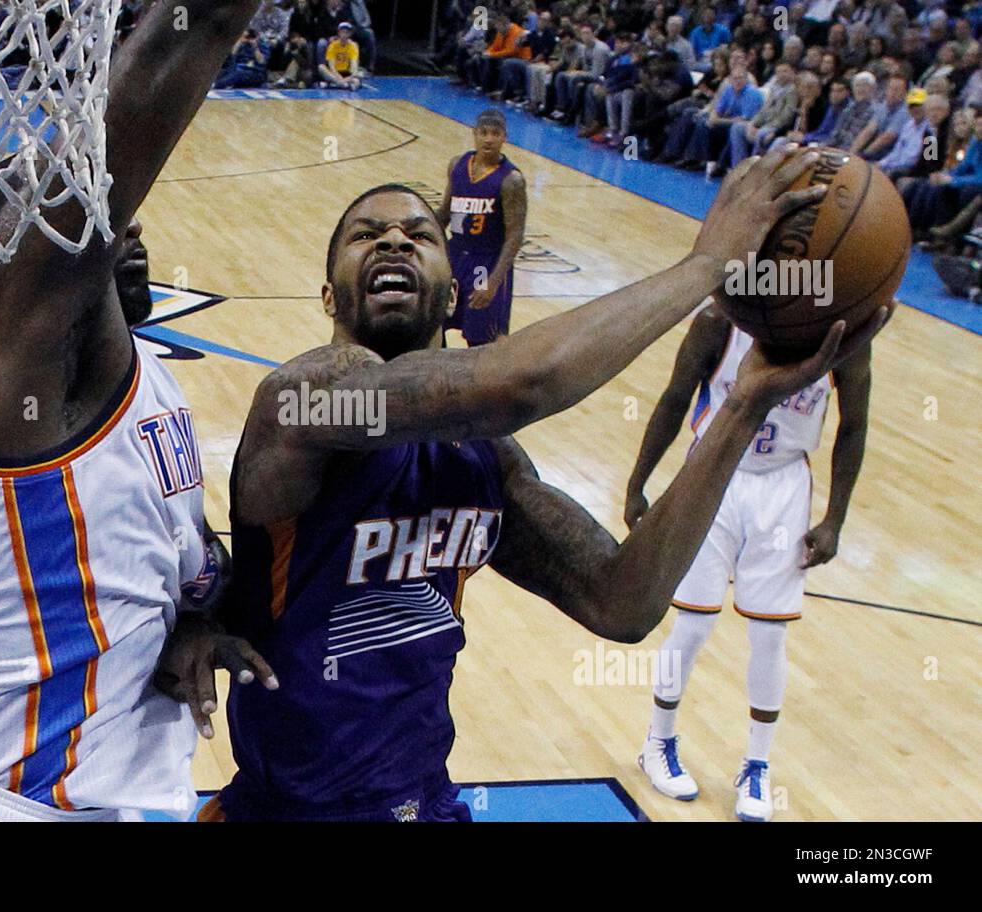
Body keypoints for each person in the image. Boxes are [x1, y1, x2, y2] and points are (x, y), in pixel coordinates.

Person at [195, 148, 885, 822]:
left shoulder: (484, 459)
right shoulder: (301, 402)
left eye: (419, 234)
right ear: (326, 293)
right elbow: (523, 383)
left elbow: (621, 602)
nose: (396, 240)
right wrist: (706, 265)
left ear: (455, 291)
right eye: (366, 235)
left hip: (425, 801)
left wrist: (741, 407)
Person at [0, 0, 276, 823]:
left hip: (93, 803)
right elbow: (175, 48)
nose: (117, 233)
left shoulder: (150, 386)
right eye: (66, 222)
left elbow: (185, 560)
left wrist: (202, 620)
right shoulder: (6, 395)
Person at [626, 293, 880, 823]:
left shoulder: (844, 339)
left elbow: (853, 426)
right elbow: (674, 398)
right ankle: (657, 741)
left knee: (770, 635)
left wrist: (834, 518)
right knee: (692, 626)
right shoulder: (718, 323)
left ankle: (757, 765)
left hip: (785, 484)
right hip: (714, 472)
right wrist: (637, 484)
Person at [439, 108, 526, 346]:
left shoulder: (511, 180)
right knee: (435, 327)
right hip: (453, 256)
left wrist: (493, 282)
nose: (489, 139)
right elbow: (444, 214)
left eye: (495, 134)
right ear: (474, 134)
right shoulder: (457, 165)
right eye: (484, 133)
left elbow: (515, 235)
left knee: (482, 343)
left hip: (486, 264)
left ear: (504, 137)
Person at [319, 20, 360, 90]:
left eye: (347, 32)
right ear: (338, 33)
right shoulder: (333, 45)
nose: (344, 35)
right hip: (334, 73)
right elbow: (331, 67)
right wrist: (340, 79)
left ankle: (334, 84)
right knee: (321, 67)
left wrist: (349, 78)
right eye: (342, 32)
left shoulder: (353, 46)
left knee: (357, 80)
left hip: (346, 72)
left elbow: (354, 66)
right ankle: (343, 85)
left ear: (350, 34)